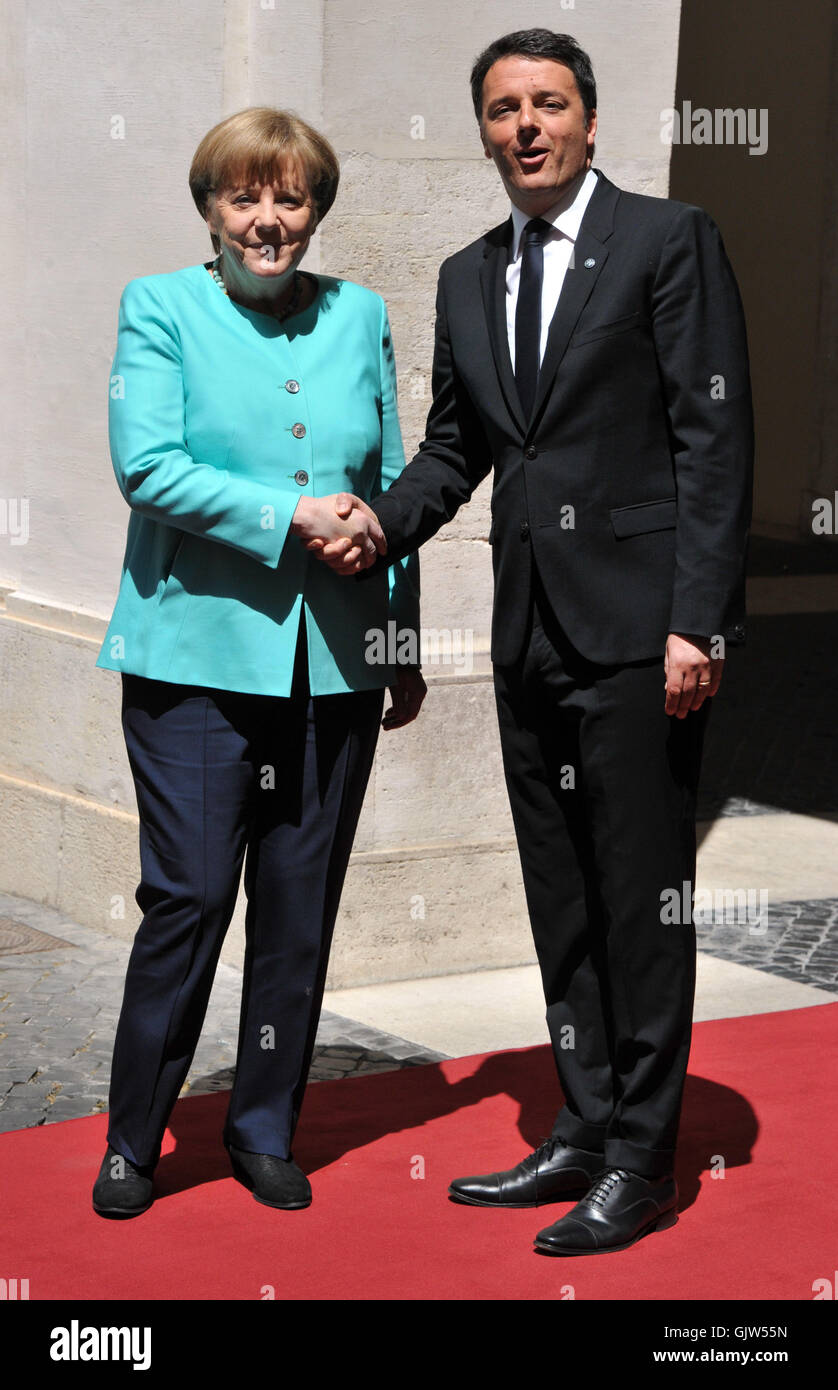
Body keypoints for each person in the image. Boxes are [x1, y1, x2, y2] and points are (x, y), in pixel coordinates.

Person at [308, 30, 753, 1255]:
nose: (526, 126)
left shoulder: (669, 241)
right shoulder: (466, 275)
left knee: (639, 901)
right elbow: (459, 448)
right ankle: (582, 1118)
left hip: (638, 636)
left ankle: (643, 1159)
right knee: (561, 896)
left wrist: (696, 620)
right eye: (504, 109)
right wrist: (376, 521)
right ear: (486, 131)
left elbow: (714, 443)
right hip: (529, 634)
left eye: (548, 103)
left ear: (590, 121)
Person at [91, 106, 423, 1218]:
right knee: (185, 898)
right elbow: (148, 467)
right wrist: (290, 517)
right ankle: (134, 1138)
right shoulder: (160, 306)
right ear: (210, 209)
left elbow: (386, 487)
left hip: (333, 664)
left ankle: (264, 1125)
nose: (269, 218)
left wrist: (397, 639)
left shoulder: (361, 312)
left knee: (299, 904)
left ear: (315, 210)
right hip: (195, 660)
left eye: (291, 197)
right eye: (246, 196)